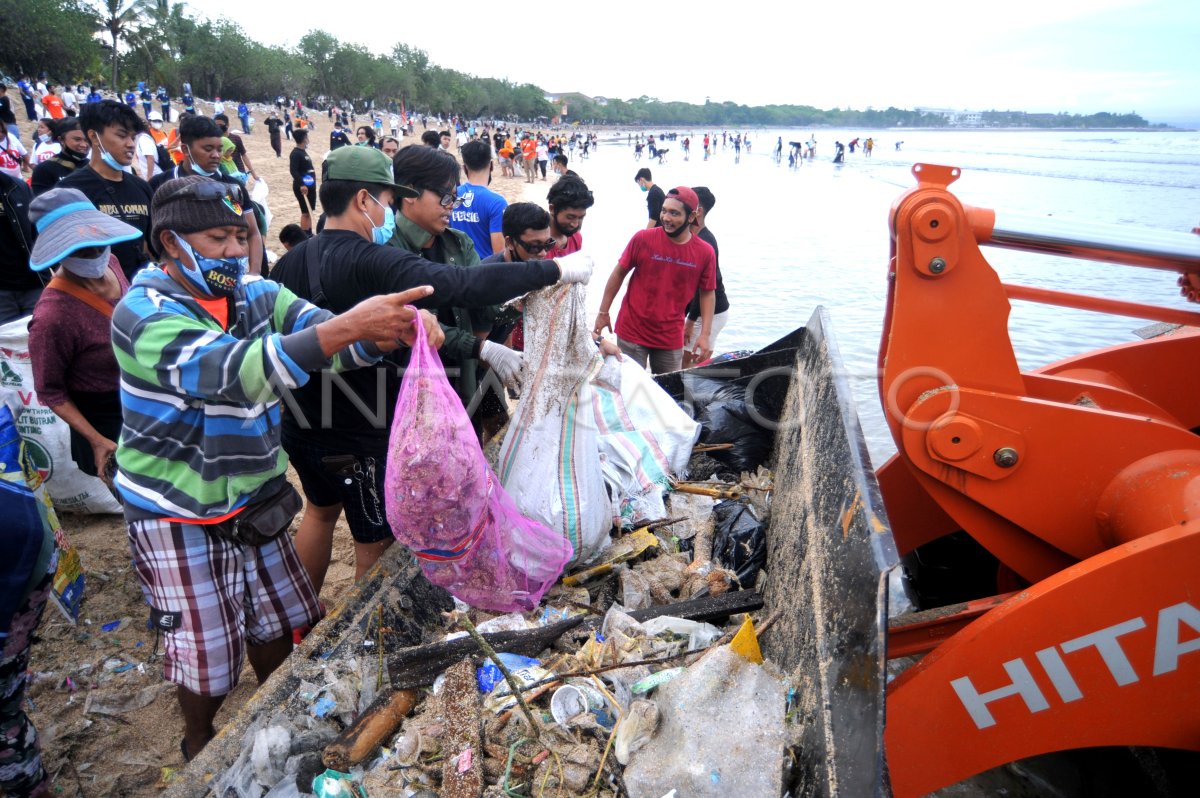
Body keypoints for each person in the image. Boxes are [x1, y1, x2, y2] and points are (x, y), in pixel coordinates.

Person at [113, 174, 441, 762]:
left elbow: (326, 339)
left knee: (277, 620)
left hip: (256, 493)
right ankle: (198, 738)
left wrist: (390, 332)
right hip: (176, 509)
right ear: (169, 243)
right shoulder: (142, 314)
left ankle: (273, 707)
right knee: (209, 656)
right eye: (217, 240)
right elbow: (238, 372)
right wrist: (348, 325)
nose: (234, 252)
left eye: (240, 237)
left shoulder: (257, 294)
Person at [270, 146, 592, 592]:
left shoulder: (291, 260)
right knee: (374, 543)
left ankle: (303, 619)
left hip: (302, 422)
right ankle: (362, 631)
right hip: (359, 431)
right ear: (364, 200)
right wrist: (554, 269)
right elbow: (461, 284)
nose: (389, 210)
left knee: (320, 514)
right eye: (387, 199)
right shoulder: (372, 259)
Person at [27, 189, 139, 478]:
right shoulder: (52, 316)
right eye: (79, 250)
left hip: (139, 396)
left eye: (97, 243)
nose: (94, 255)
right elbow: (50, 390)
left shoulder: (112, 262)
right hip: (104, 417)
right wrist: (97, 440)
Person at [594, 186, 715, 374]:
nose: (666, 218)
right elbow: (618, 273)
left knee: (668, 387)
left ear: (692, 216)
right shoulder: (643, 238)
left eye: (674, 213)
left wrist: (705, 334)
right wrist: (603, 312)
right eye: (664, 211)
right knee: (629, 386)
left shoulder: (705, 252)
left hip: (670, 336)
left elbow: (707, 293)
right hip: (632, 331)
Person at [150, 115, 265, 275]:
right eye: (208, 149)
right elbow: (152, 236)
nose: (216, 155)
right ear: (185, 150)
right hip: (179, 277)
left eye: (219, 149)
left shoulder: (232, 188)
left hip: (226, 274)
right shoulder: (160, 185)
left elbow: (252, 232)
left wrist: (254, 273)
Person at [58, 101, 154, 281]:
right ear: (94, 137)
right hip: (94, 289)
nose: (130, 144)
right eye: (122, 135)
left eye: (133, 137)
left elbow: (150, 244)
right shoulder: (70, 190)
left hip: (139, 287)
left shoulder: (141, 187)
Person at [683, 187, 730, 368]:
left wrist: (690, 320)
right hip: (703, 310)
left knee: (687, 362)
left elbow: (704, 288)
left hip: (711, 311)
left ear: (698, 211)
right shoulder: (690, 236)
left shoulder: (706, 242)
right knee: (692, 361)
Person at [0, 172, 45, 323]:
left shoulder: (17, 187)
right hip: (3, 293)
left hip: (32, 283)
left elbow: (38, 231)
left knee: (39, 334)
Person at [450, 140, 507, 258]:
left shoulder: (452, 196)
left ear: (464, 168)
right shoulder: (497, 203)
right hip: (483, 267)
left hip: (455, 266)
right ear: (491, 165)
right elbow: (499, 253)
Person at [30, 118, 89, 195]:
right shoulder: (44, 169)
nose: (84, 145)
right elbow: (41, 201)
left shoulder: (95, 166)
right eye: (77, 140)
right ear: (61, 140)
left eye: (87, 140)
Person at [546, 174, 594, 257]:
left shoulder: (576, 238)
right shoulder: (536, 245)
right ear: (552, 209)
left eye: (581, 217)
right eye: (570, 217)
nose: (575, 224)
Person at [290, 129, 316, 233]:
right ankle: (305, 234)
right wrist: (302, 184)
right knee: (305, 212)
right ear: (304, 138)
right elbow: (293, 171)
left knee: (309, 211)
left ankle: (309, 232)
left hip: (310, 185)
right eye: (306, 136)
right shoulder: (296, 153)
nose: (308, 138)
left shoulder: (303, 151)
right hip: (303, 187)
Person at [214, 114, 255, 180]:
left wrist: (254, 174)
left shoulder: (236, 138)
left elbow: (244, 155)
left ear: (227, 125)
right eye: (216, 125)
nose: (218, 127)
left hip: (239, 171)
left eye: (220, 125)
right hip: (225, 174)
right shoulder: (215, 140)